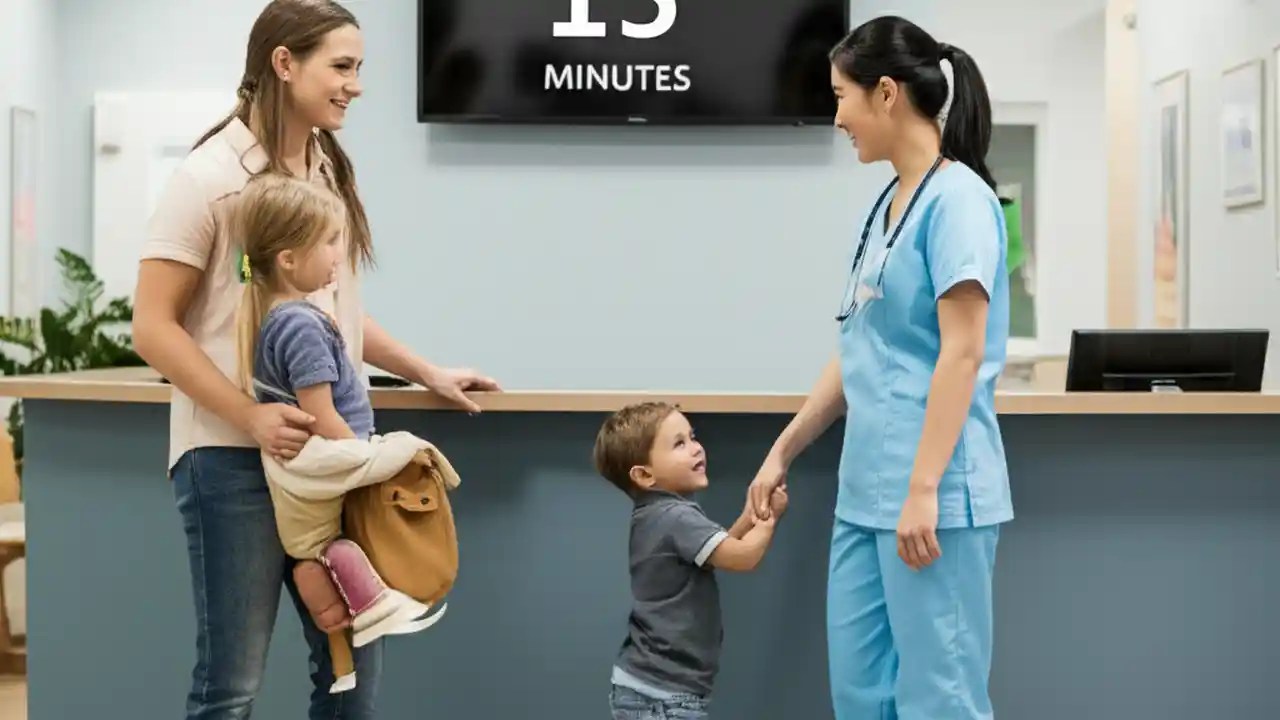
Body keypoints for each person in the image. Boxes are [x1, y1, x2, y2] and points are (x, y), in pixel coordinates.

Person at [131, 2, 498, 717]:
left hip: (324, 463)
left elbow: (336, 317)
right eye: (342, 66)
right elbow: (152, 327)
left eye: (358, 67)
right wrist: (252, 416)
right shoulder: (208, 178)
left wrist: (426, 371)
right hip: (230, 459)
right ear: (284, 63)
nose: (356, 85)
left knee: (352, 673)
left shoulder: (325, 170)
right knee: (232, 684)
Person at [746, 15, 1012, 720]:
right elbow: (861, 347)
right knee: (861, 696)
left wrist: (922, 489)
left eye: (841, 97)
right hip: (865, 493)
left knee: (940, 699)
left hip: (934, 496)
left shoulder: (960, 202)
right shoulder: (887, 206)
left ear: (886, 93)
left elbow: (962, 352)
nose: (837, 118)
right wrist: (782, 451)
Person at [232, 173, 457, 695]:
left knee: (322, 549)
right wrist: (365, 457)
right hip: (321, 455)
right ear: (288, 259)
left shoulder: (284, 316)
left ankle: (358, 613)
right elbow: (321, 413)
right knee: (398, 463)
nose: (340, 253)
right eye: (330, 241)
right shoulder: (301, 325)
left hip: (305, 465)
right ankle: (375, 608)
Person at [593, 402, 789, 720]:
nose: (696, 448)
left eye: (693, 437)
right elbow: (742, 557)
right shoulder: (676, 517)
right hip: (664, 694)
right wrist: (769, 521)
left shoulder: (655, 514)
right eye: (679, 444)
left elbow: (712, 556)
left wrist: (749, 517)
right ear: (644, 474)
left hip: (646, 686)